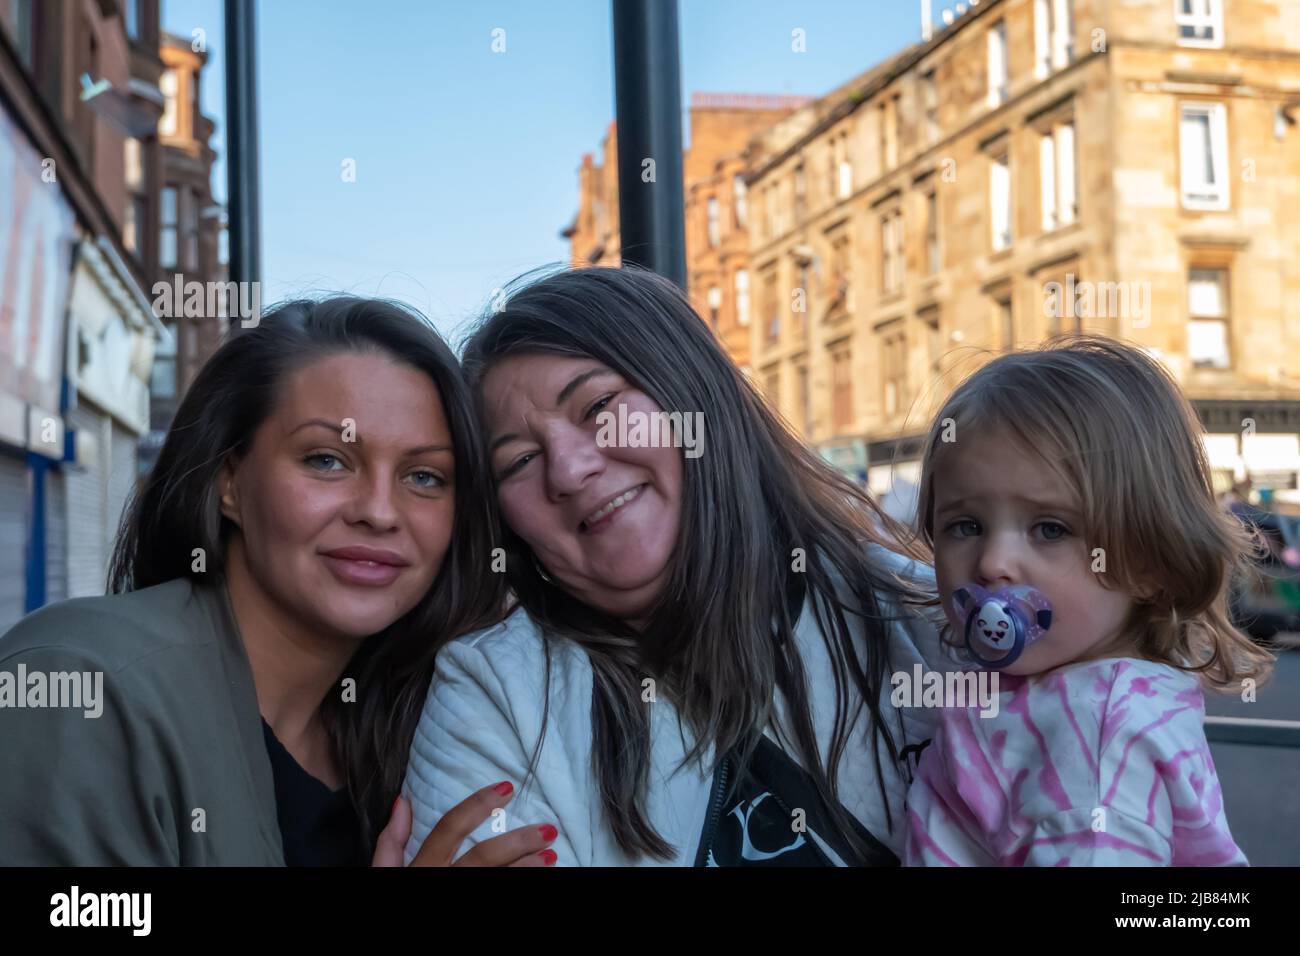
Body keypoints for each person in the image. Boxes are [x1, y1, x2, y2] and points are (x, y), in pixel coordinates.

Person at [402, 266, 952, 866]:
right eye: (520, 460)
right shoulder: (495, 696)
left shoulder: (927, 622)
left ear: (693, 393)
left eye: (600, 406)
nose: (568, 469)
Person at [0, 297, 557, 867]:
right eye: (326, 460)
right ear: (229, 481)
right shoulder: (85, 683)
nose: (380, 512)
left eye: (424, 476)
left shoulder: (417, 724)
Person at [903, 337, 1275, 866]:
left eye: (1050, 529)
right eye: (966, 525)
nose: (992, 562)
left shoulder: (1095, 741)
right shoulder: (1052, 691)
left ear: (1150, 564)